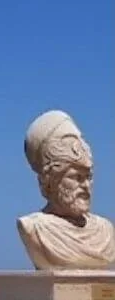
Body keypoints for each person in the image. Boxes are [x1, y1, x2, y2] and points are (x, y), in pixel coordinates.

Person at [17, 109, 115, 270]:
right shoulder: (34, 227)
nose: (86, 185)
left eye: (88, 176)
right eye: (76, 177)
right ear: (51, 181)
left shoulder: (106, 230)